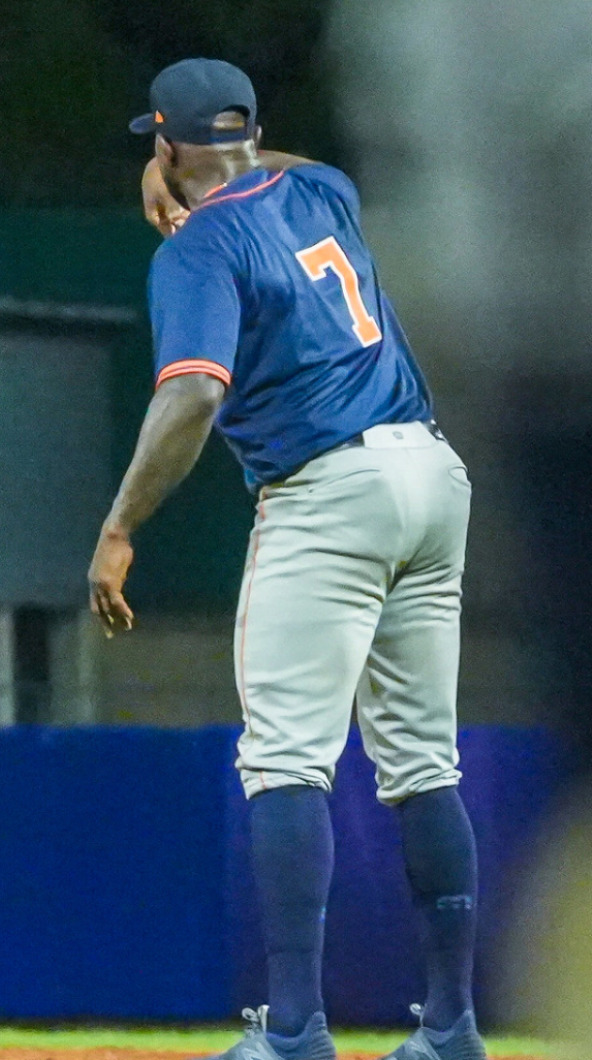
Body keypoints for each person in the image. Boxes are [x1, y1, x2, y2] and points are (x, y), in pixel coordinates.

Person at [90, 60, 485, 1060]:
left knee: (284, 762)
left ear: (168, 140)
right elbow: (272, 165)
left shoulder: (200, 249)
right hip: (432, 474)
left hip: (330, 494)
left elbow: (192, 393)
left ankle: (296, 1032)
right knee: (423, 761)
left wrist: (122, 523)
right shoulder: (320, 192)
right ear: (251, 134)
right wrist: (207, 160)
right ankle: (448, 1028)